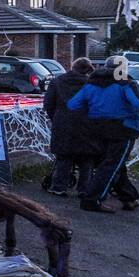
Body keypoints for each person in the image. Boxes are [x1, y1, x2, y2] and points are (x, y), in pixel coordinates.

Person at [67, 55, 139, 212]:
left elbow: (73, 104)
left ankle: (129, 197)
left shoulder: (91, 83)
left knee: (113, 164)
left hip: (97, 130)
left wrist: (96, 109)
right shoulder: (125, 83)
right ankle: (92, 200)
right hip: (123, 129)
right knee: (111, 165)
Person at [41, 56, 99, 196]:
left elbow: (48, 104)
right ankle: (84, 189)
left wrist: (56, 118)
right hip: (87, 125)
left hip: (63, 124)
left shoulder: (57, 82)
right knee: (86, 159)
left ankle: (59, 187)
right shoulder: (92, 85)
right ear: (88, 70)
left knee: (64, 157)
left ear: (73, 67)